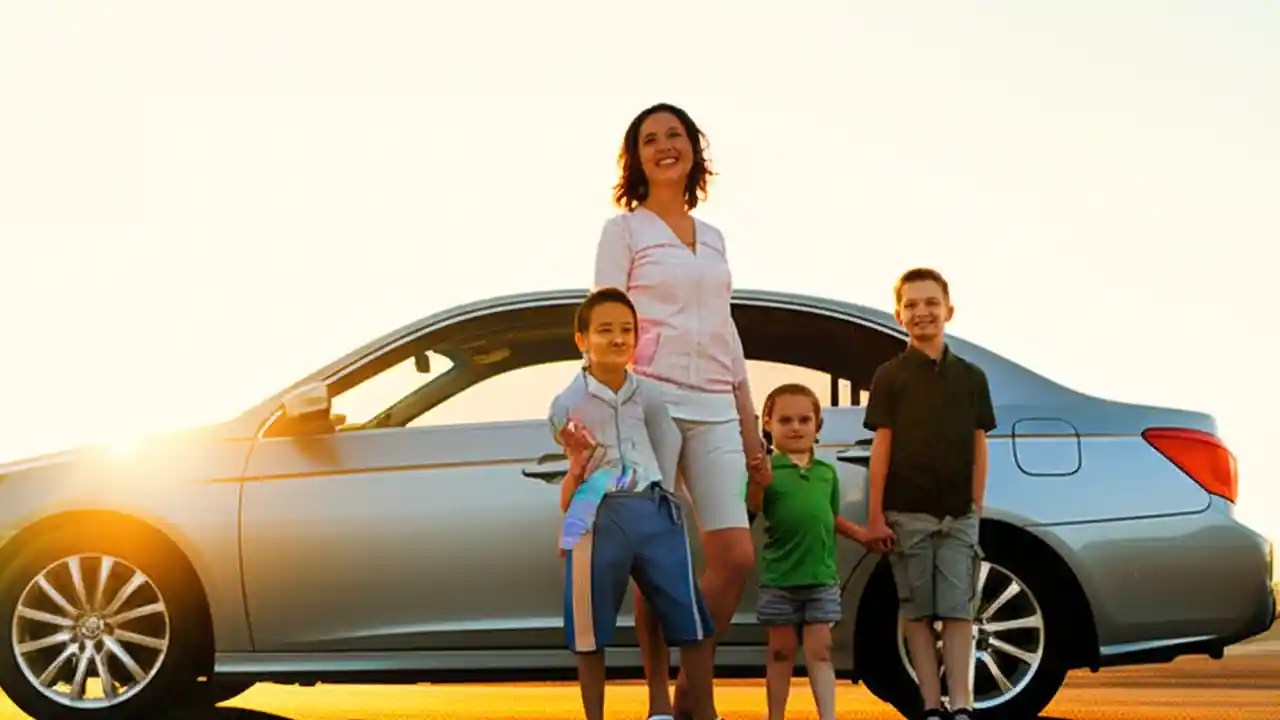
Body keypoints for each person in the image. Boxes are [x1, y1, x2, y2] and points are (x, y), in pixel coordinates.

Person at [593, 102, 770, 719]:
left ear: (694, 149)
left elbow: (727, 333)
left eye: (676, 135)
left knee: (735, 558)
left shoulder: (714, 237)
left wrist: (752, 431)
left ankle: (695, 685)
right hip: (651, 402)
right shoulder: (625, 232)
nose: (665, 145)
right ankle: (662, 702)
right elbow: (605, 322)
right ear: (635, 157)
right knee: (657, 557)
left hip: (717, 402)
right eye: (650, 139)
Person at [549, 286, 722, 720]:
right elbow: (575, 475)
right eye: (605, 330)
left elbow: (666, 451)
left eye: (627, 330)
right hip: (599, 515)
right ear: (582, 340)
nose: (618, 339)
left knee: (689, 616)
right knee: (589, 628)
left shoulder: (650, 395)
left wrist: (665, 499)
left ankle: (693, 710)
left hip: (653, 508)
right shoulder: (566, 404)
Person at [862, 268, 997, 720]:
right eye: (913, 305)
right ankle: (930, 703)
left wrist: (975, 508)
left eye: (931, 303)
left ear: (949, 311)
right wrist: (876, 514)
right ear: (899, 315)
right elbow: (881, 448)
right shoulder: (890, 376)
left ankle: (962, 702)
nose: (923, 312)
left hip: (958, 515)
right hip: (906, 514)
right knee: (917, 612)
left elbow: (979, 445)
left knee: (959, 612)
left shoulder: (972, 378)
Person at [748, 383, 894, 720]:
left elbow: (829, 517)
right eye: (785, 421)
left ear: (817, 426)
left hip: (821, 577)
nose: (796, 427)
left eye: (804, 420)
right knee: (781, 651)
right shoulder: (768, 473)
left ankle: (828, 715)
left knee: (821, 650)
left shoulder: (826, 473)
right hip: (779, 579)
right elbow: (753, 508)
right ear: (768, 424)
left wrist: (862, 535)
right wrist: (757, 481)